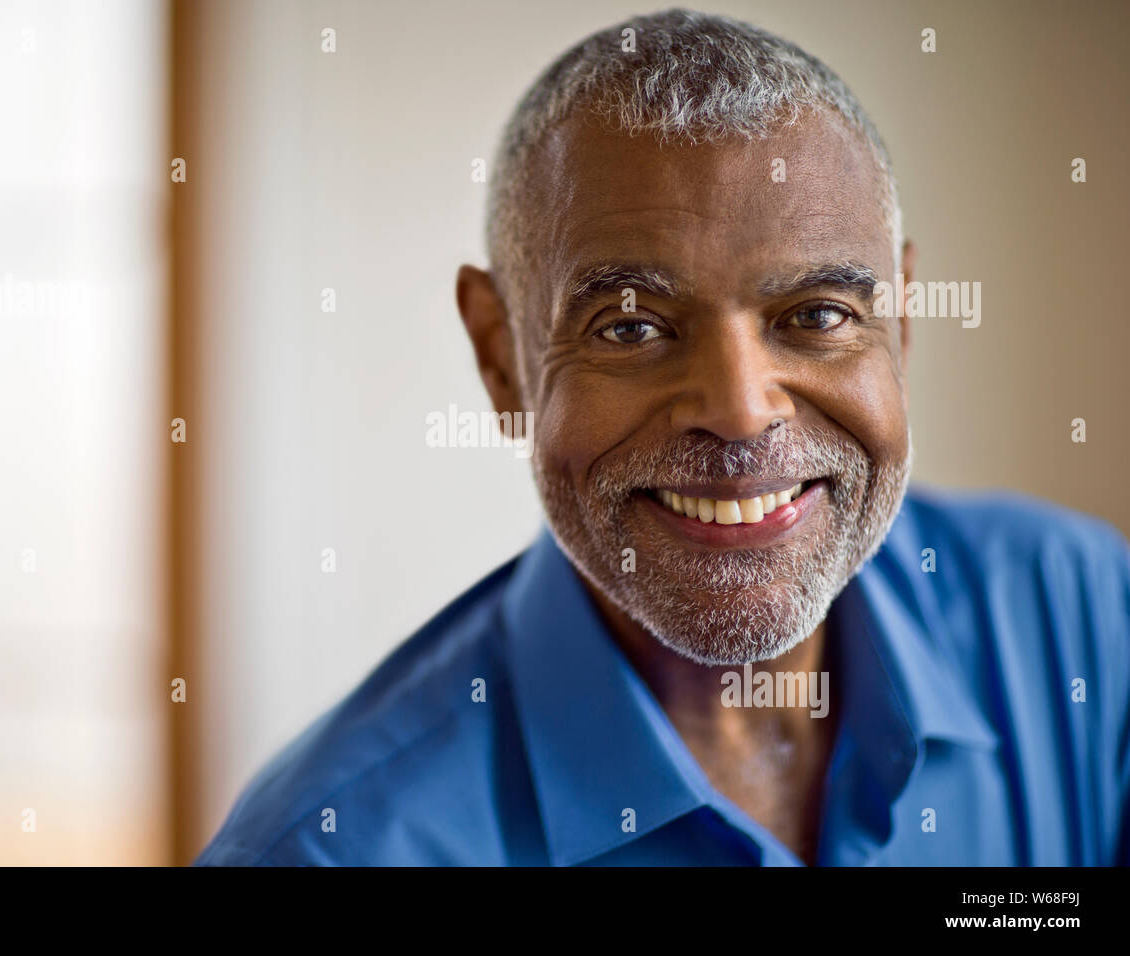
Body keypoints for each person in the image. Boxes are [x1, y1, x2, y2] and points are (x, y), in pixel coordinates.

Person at [196, 8, 1129, 866]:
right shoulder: (330, 847)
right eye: (630, 328)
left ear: (905, 324)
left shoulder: (1083, 622)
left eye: (818, 313)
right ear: (501, 357)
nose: (739, 409)